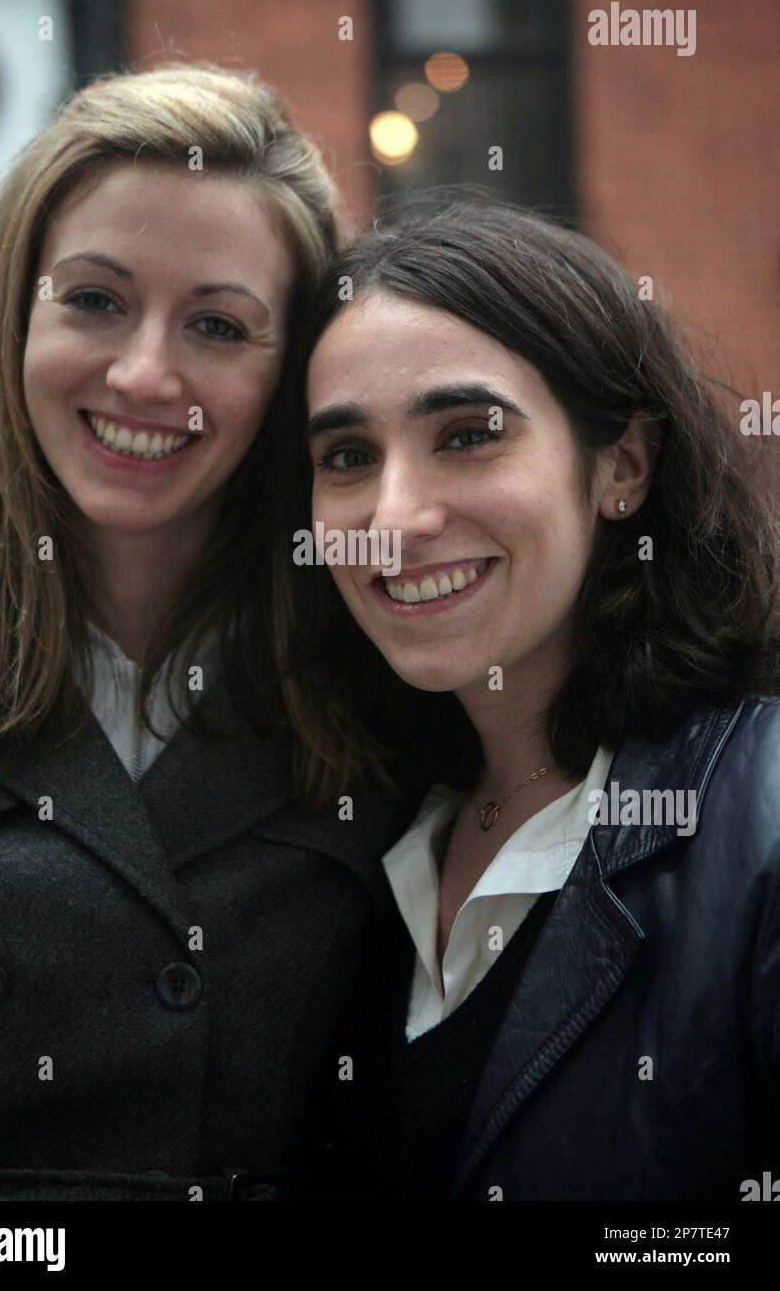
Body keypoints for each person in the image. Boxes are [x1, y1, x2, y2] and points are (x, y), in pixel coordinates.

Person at [0, 63, 421, 1202]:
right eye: (93, 300)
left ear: (290, 372)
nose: (145, 374)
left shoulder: (381, 663)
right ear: (13, 313)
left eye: (216, 324)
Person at [275, 190, 780, 1200]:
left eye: (466, 434)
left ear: (620, 465)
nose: (393, 516)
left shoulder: (758, 827)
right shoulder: (358, 832)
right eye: (345, 457)